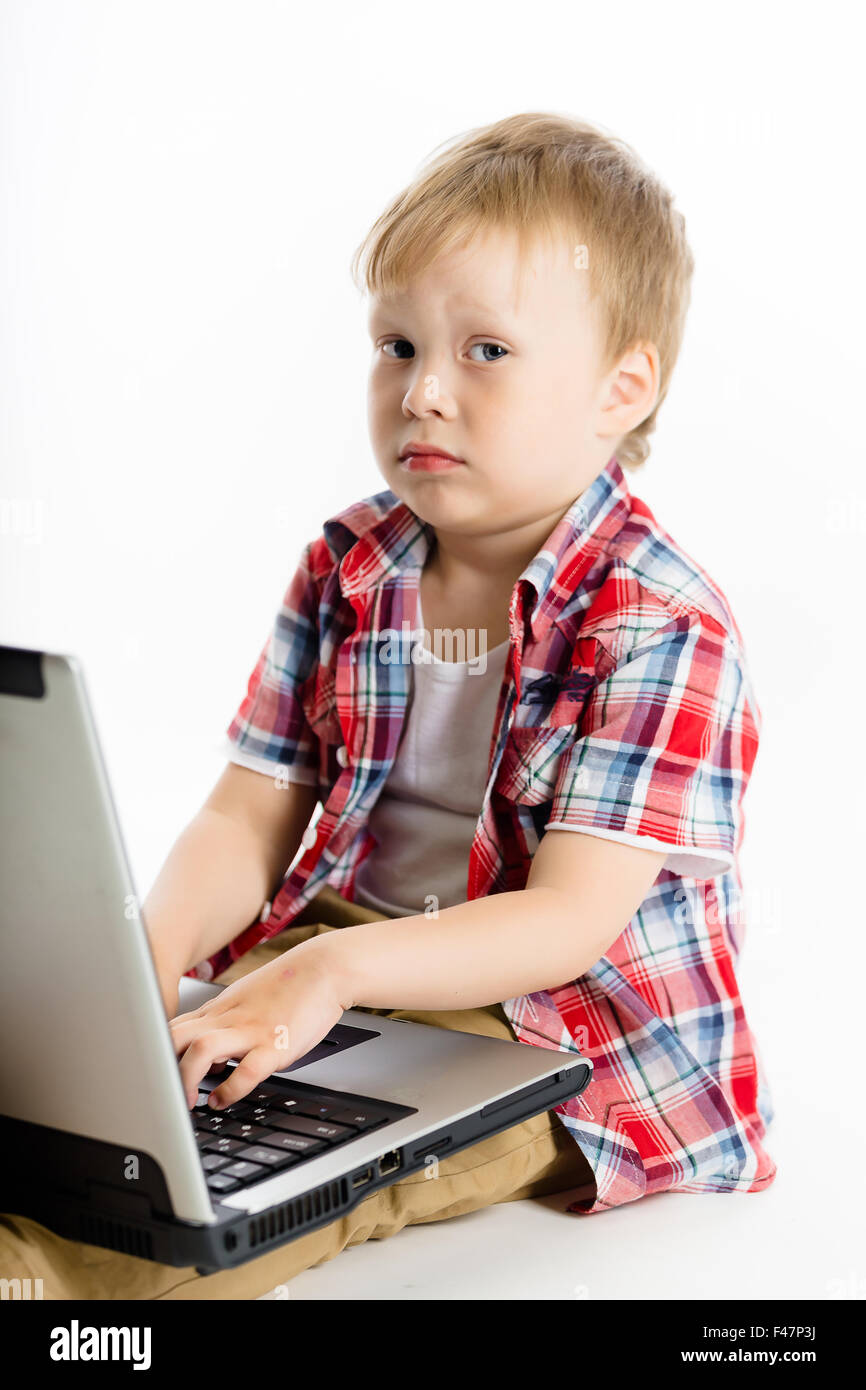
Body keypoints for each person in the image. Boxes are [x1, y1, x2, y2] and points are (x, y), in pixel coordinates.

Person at [0, 111, 776, 1300]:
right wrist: (146, 955)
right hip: (350, 948)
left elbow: (565, 923)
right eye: (397, 344)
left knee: (295, 1177)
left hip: (550, 1025)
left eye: (486, 352)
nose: (422, 392)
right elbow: (245, 815)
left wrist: (331, 975)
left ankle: (44, 1279)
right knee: (107, 1088)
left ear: (621, 386)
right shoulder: (347, 564)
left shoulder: (662, 626)